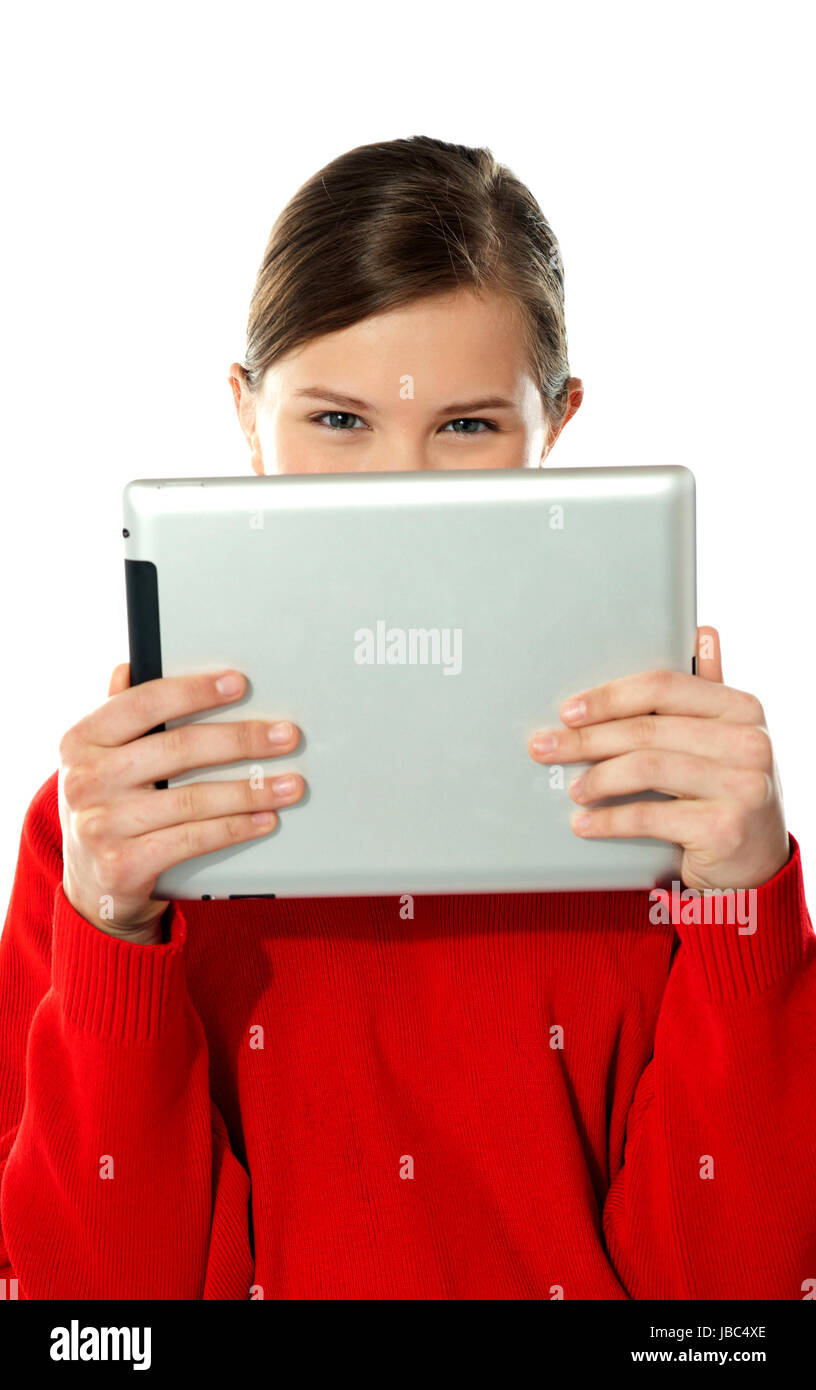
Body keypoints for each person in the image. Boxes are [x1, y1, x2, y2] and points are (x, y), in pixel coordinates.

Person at [0, 135, 813, 1300]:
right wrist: (111, 931)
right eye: (335, 420)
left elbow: (733, 1307)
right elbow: (100, 1318)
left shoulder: (674, 824)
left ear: (558, 426)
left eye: (469, 427)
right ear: (245, 414)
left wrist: (746, 904)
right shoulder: (100, 833)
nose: (400, 485)